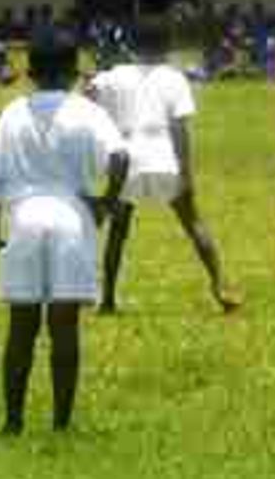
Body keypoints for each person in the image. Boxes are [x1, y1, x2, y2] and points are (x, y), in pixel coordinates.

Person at [0, 26, 129, 435]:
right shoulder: (87, 111)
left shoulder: (13, 113)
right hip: (71, 220)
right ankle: (61, 422)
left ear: (30, 71)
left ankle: (13, 421)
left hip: (24, 219)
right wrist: (107, 203)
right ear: (72, 70)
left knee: (21, 327)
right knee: (64, 328)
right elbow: (118, 157)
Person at [86, 19, 241, 315]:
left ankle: (106, 298)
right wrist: (185, 173)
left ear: (130, 46)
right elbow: (179, 128)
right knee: (193, 222)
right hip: (164, 157)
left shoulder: (116, 75)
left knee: (118, 231)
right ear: (167, 48)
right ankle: (219, 286)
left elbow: (87, 94)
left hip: (127, 161)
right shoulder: (174, 78)